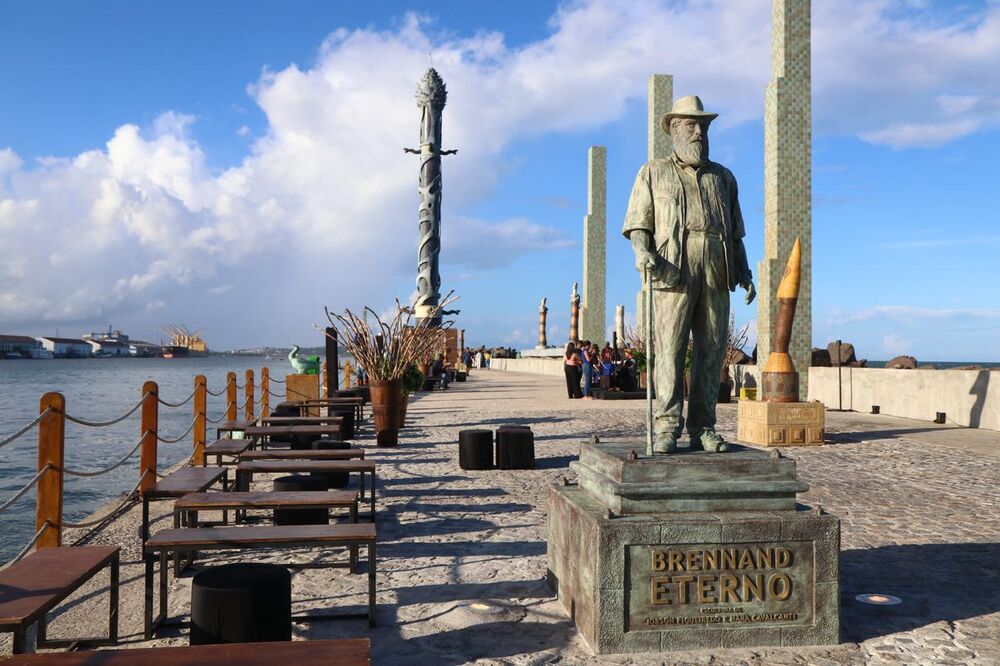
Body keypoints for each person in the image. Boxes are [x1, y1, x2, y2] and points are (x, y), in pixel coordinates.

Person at [623, 95, 755, 454]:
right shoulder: (652, 172)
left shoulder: (723, 178)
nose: (699, 133)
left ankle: (703, 427)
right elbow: (639, 223)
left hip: (716, 266)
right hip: (672, 269)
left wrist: (743, 270)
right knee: (669, 349)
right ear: (675, 130)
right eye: (691, 126)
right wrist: (642, 250)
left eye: (704, 126)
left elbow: (735, 232)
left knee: (712, 351)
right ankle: (666, 427)